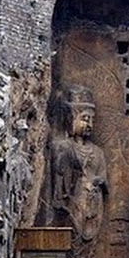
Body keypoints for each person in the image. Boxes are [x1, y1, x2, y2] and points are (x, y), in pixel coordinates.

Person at [49, 85, 107, 243]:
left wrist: (98, 181)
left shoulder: (97, 152)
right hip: (73, 199)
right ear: (71, 119)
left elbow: (103, 178)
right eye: (84, 119)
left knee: (87, 243)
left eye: (92, 120)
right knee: (70, 236)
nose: (89, 125)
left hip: (92, 202)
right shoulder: (63, 146)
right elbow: (59, 176)